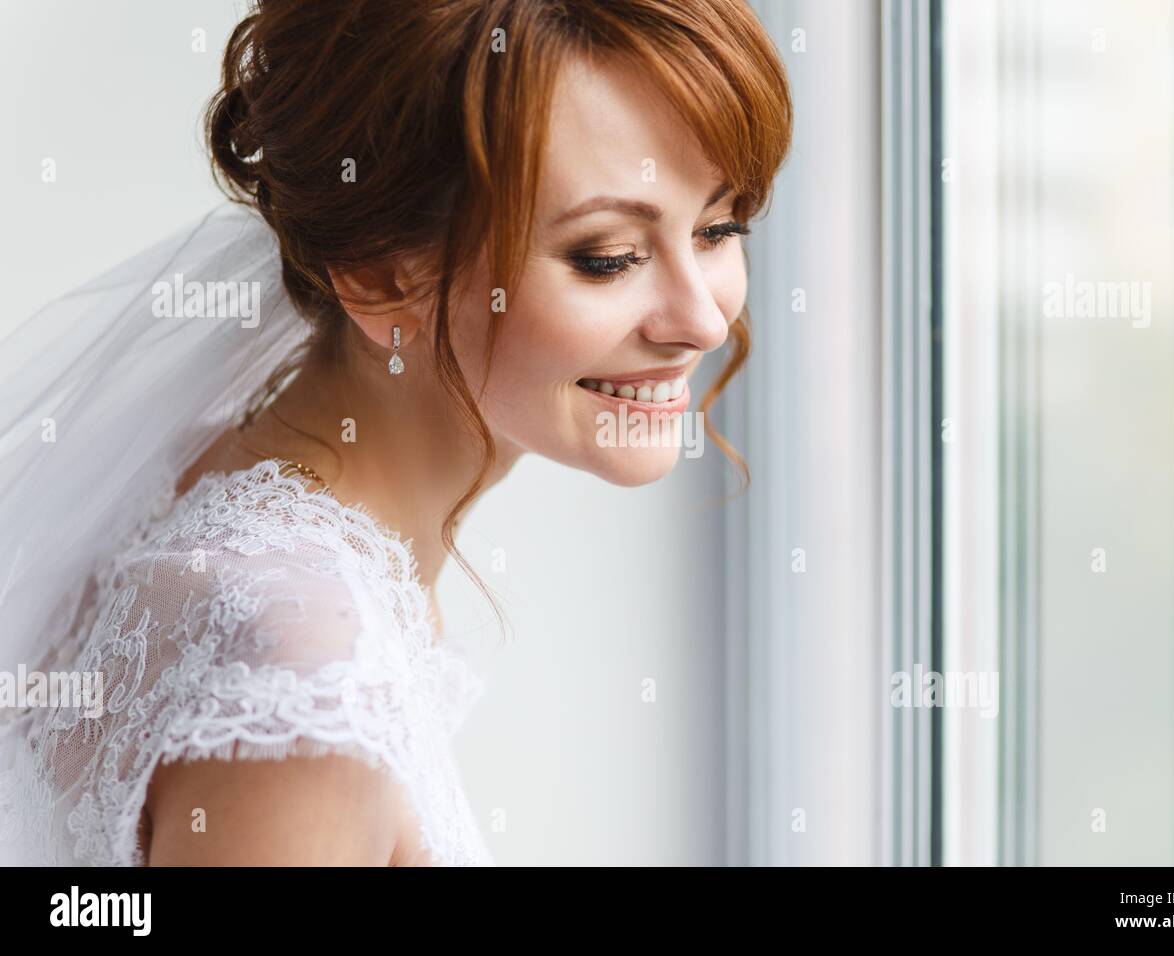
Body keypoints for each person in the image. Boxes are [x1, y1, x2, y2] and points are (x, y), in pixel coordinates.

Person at [0, 0, 792, 866]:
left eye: (719, 229)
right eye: (607, 257)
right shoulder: (304, 694)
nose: (702, 323)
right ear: (380, 277)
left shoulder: (210, 467)